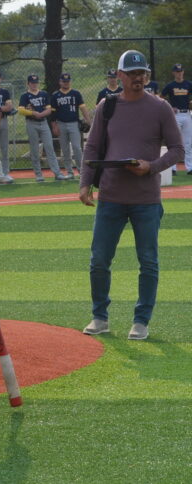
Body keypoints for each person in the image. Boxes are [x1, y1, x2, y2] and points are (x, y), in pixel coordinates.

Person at [80, 49, 184, 341]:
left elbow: (177, 150)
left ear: (147, 76)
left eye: (143, 74)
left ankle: (141, 320)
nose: (139, 78)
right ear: (120, 76)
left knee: (148, 261)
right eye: (133, 73)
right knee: (99, 259)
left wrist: (151, 166)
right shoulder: (106, 106)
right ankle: (100, 316)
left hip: (146, 199)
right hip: (110, 195)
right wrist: (85, 183)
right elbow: (93, 147)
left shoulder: (160, 107)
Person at [18, 74, 70, 181]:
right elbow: (21, 110)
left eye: (36, 82)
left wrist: (40, 114)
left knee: (49, 147)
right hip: (31, 123)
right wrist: (32, 113)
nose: (34, 84)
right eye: (32, 83)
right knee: (34, 149)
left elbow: (49, 109)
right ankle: (38, 174)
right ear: (28, 84)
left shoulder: (43, 94)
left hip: (43, 122)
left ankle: (57, 173)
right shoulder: (25, 95)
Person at [50, 73, 92, 178]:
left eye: (67, 81)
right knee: (65, 149)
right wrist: (54, 125)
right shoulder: (55, 95)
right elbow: (53, 112)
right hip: (61, 124)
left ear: (70, 82)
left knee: (77, 147)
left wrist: (88, 120)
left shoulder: (75, 93)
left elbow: (82, 107)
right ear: (60, 82)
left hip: (73, 123)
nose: (66, 83)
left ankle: (81, 171)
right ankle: (69, 172)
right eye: (64, 81)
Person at [161, 63, 192, 174]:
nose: (179, 73)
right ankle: (173, 168)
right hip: (175, 115)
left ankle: (190, 168)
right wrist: (169, 107)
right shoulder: (170, 85)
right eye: (177, 71)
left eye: (180, 71)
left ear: (183, 72)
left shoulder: (188, 84)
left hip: (187, 114)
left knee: (188, 143)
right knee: (174, 142)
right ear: (174, 73)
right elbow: (161, 98)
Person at [0, 70, 15, 178]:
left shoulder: (4, 92)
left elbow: (9, 107)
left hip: (3, 120)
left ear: (1, 79)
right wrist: (1, 108)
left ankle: (5, 172)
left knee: (4, 148)